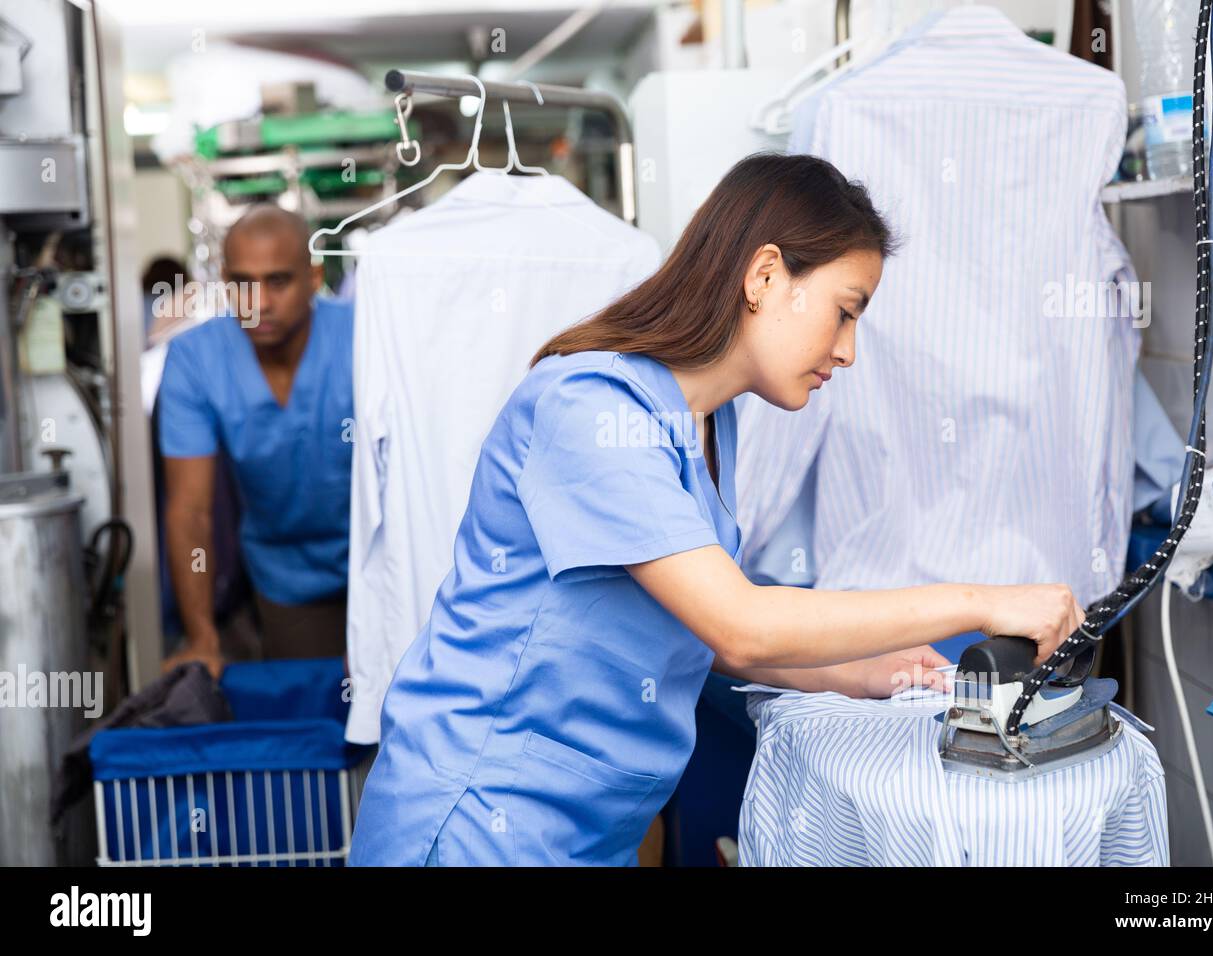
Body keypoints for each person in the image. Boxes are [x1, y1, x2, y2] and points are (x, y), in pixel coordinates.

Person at [348, 153, 1088, 867]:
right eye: (843, 313)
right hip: (478, 819)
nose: (848, 351)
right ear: (766, 275)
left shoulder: (709, 425)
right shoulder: (589, 407)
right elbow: (740, 628)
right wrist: (981, 602)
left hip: (584, 825)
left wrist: (855, 670)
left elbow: (687, 627)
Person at [157, 205, 354, 677]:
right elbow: (191, 511)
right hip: (287, 579)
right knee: (317, 716)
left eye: (279, 282)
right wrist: (203, 638)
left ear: (313, 276)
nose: (259, 303)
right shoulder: (194, 359)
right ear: (225, 280)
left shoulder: (363, 336)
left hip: (388, 566)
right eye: (244, 283)